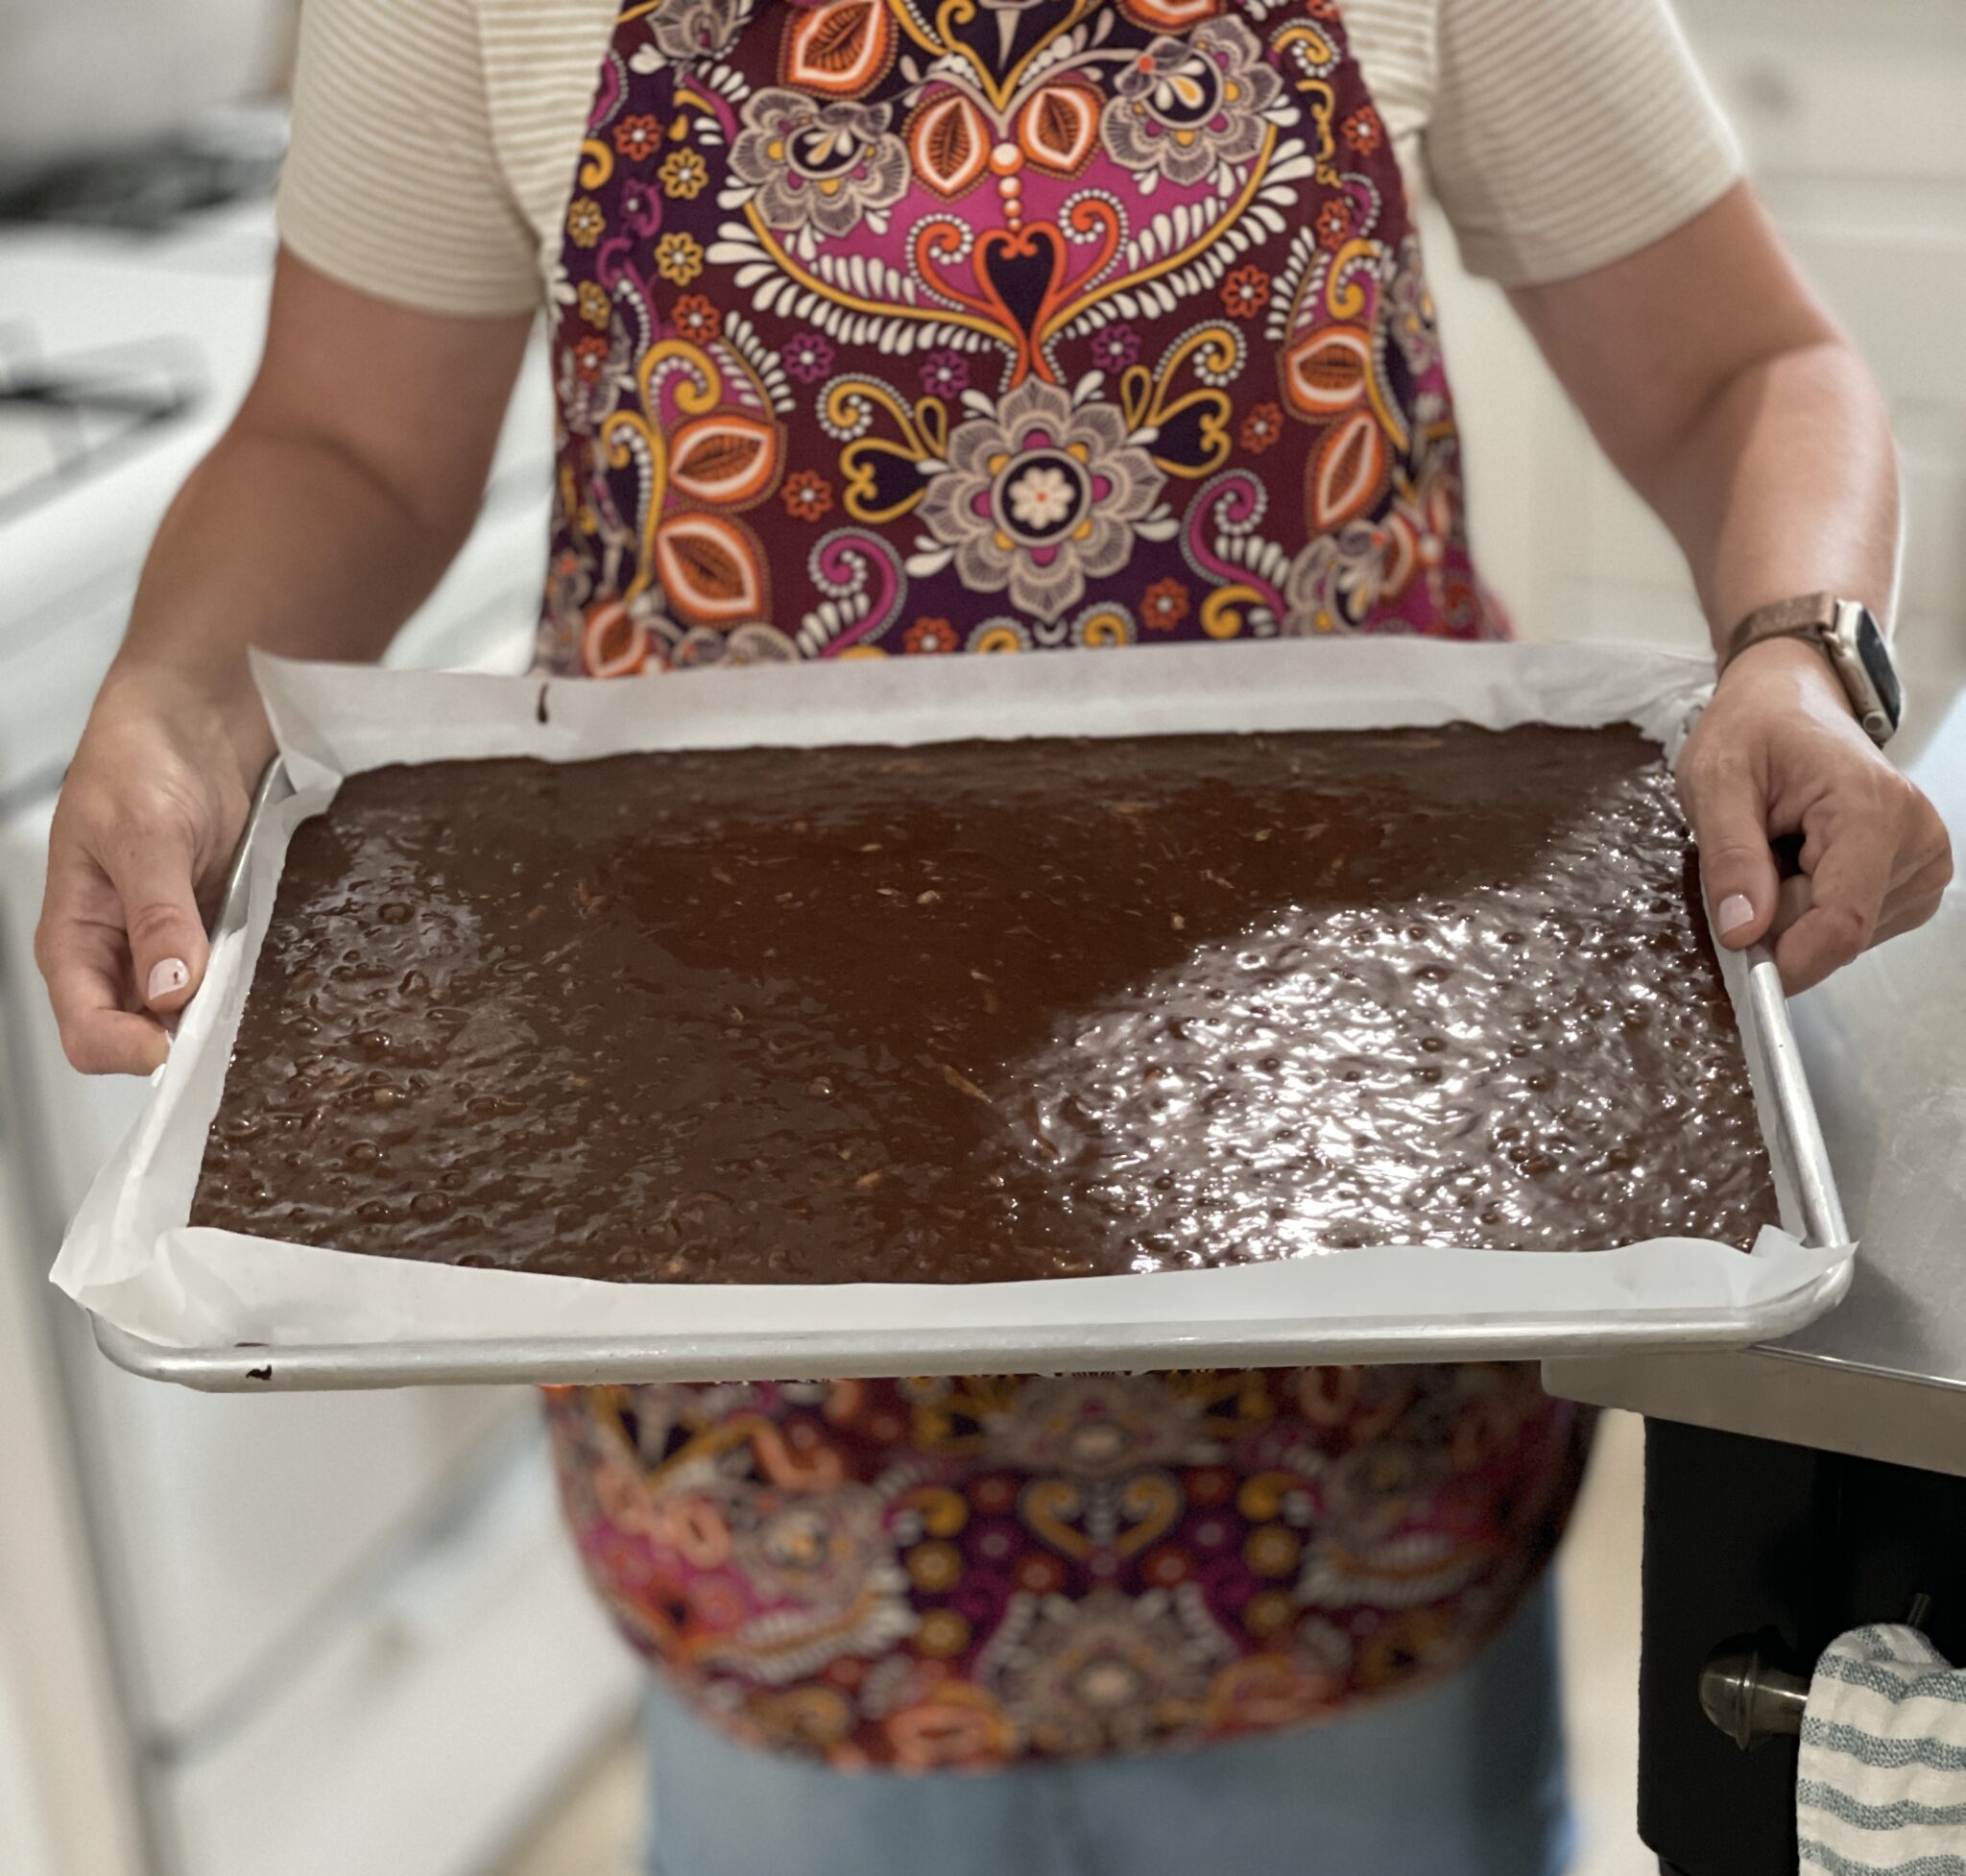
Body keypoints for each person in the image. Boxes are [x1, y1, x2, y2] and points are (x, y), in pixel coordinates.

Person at [36, 0, 1951, 1870]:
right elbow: (348, 447)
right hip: (740, 1339)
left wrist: (1800, 644)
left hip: (1357, 1278)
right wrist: (181, 694)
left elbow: (1742, 371)